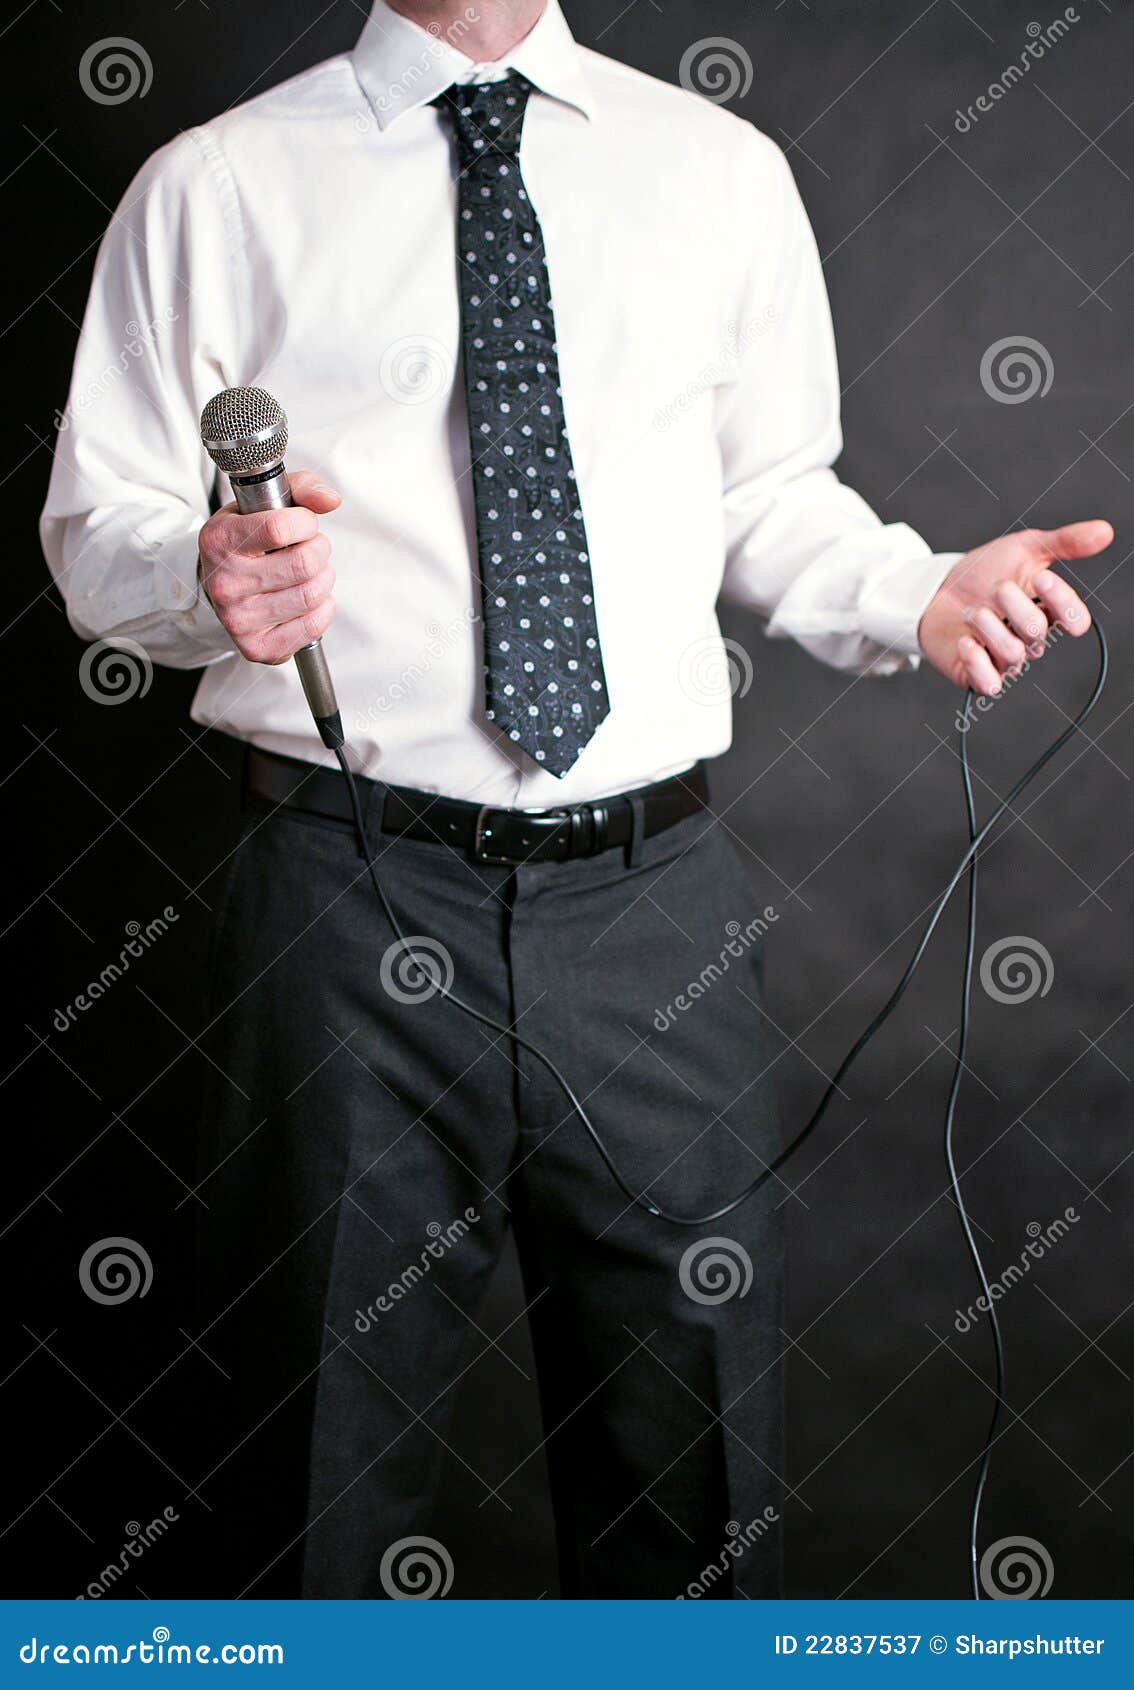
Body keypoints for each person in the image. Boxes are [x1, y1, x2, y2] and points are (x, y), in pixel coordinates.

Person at [40, 0, 1107, 1599]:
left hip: (649, 915)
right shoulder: (218, 184)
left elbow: (765, 495)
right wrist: (203, 578)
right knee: (308, 1474)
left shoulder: (715, 167)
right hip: (342, 904)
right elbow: (98, 527)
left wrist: (917, 589)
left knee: (692, 1480)